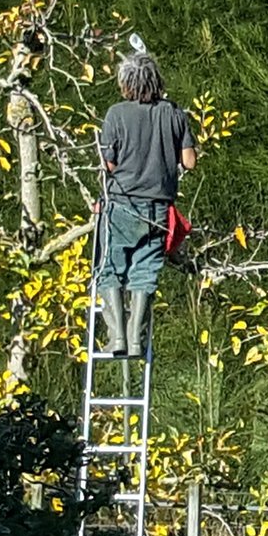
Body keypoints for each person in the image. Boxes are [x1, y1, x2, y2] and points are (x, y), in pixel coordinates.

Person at [93, 49, 197, 358]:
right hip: (158, 210)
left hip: (121, 205)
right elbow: (189, 162)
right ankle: (136, 340)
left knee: (109, 269)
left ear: (126, 83)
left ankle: (117, 338)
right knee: (144, 273)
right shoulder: (175, 114)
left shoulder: (116, 114)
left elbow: (108, 165)